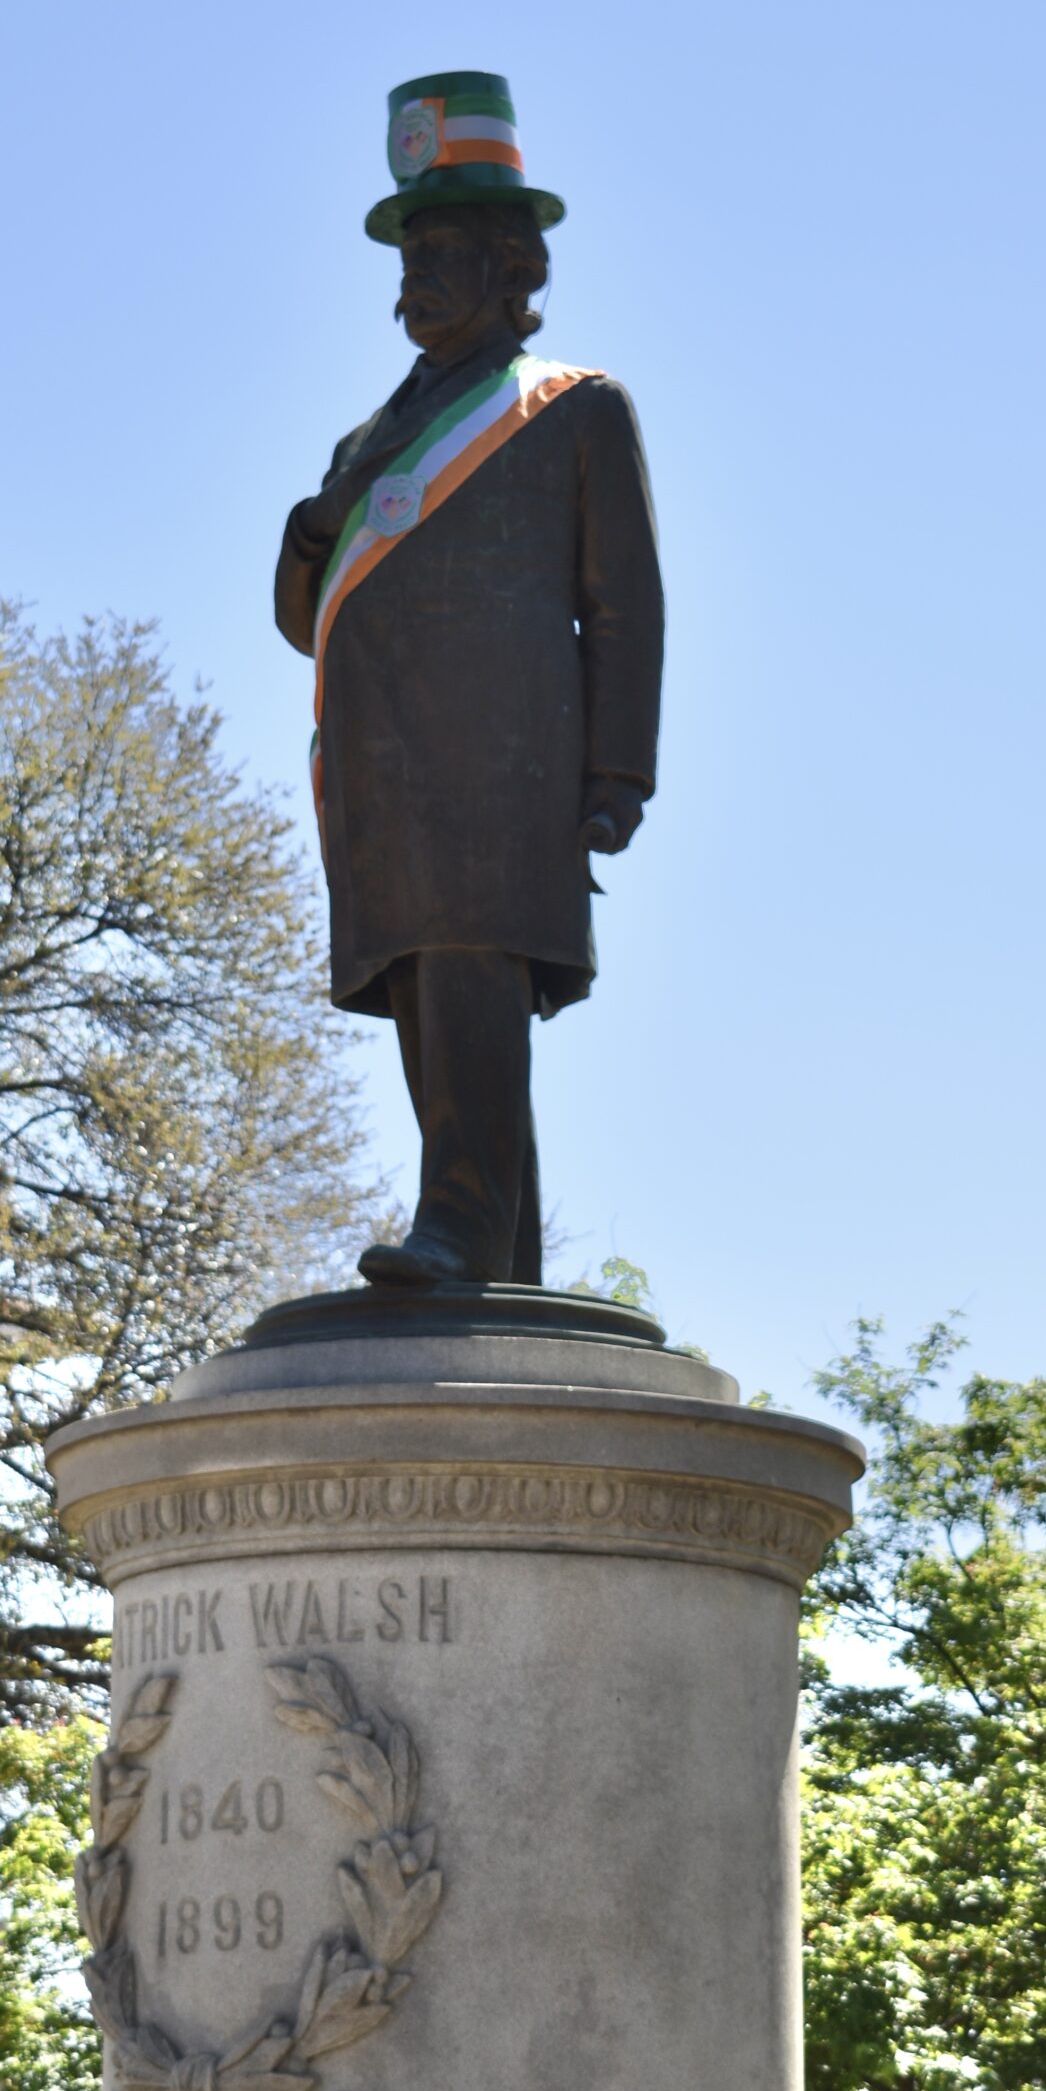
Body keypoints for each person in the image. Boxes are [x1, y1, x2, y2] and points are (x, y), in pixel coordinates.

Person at [275, 71, 664, 1288]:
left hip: (507, 769)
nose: (414, 275)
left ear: (513, 269)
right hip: (385, 775)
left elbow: (626, 605)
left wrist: (615, 774)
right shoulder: (365, 442)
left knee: (470, 985)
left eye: (442, 248)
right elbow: (302, 621)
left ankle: (458, 1226)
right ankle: (502, 1259)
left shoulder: (572, 410)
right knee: (432, 1009)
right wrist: (313, 520)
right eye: (408, 252)